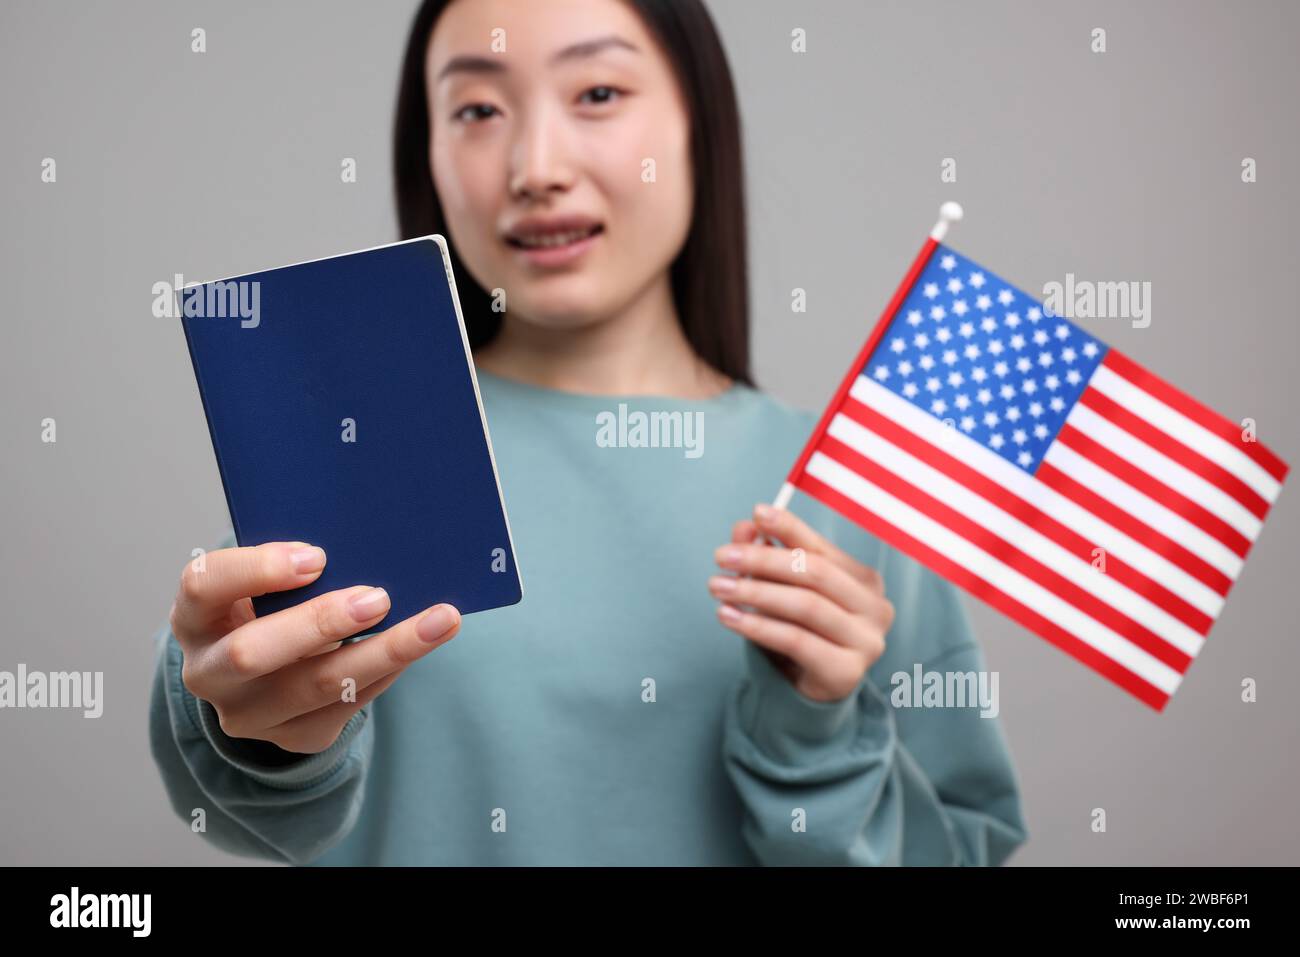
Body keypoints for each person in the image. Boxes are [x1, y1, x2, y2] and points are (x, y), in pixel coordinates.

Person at [148, 0, 1028, 866]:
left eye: (598, 93)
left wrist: (820, 730)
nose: (535, 166)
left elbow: (961, 851)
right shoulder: (347, 446)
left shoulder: (847, 484)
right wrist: (253, 726)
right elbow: (253, 802)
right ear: (429, 151)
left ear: (699, 123)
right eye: (478, 110)